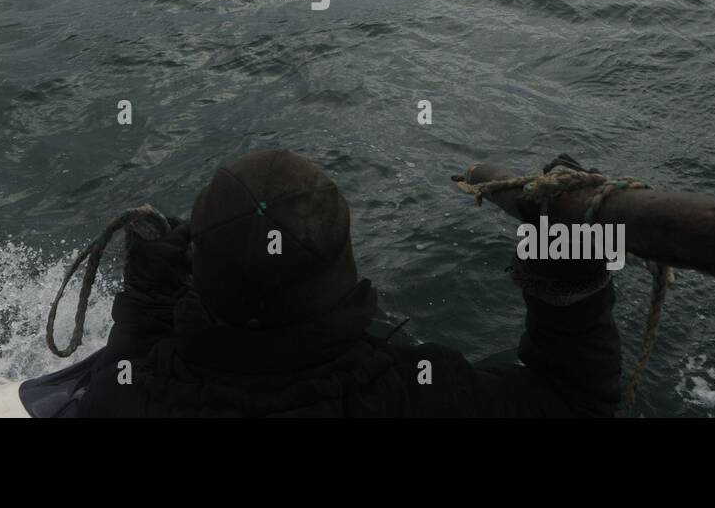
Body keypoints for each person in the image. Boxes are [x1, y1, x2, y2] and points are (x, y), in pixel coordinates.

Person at [72, 149, 622, 417]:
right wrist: (568, 278)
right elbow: (576, 402)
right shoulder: (421, 394)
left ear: (196, 272)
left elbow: (106, 392)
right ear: (346, 268)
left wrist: (144, 305)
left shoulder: (134, 399)